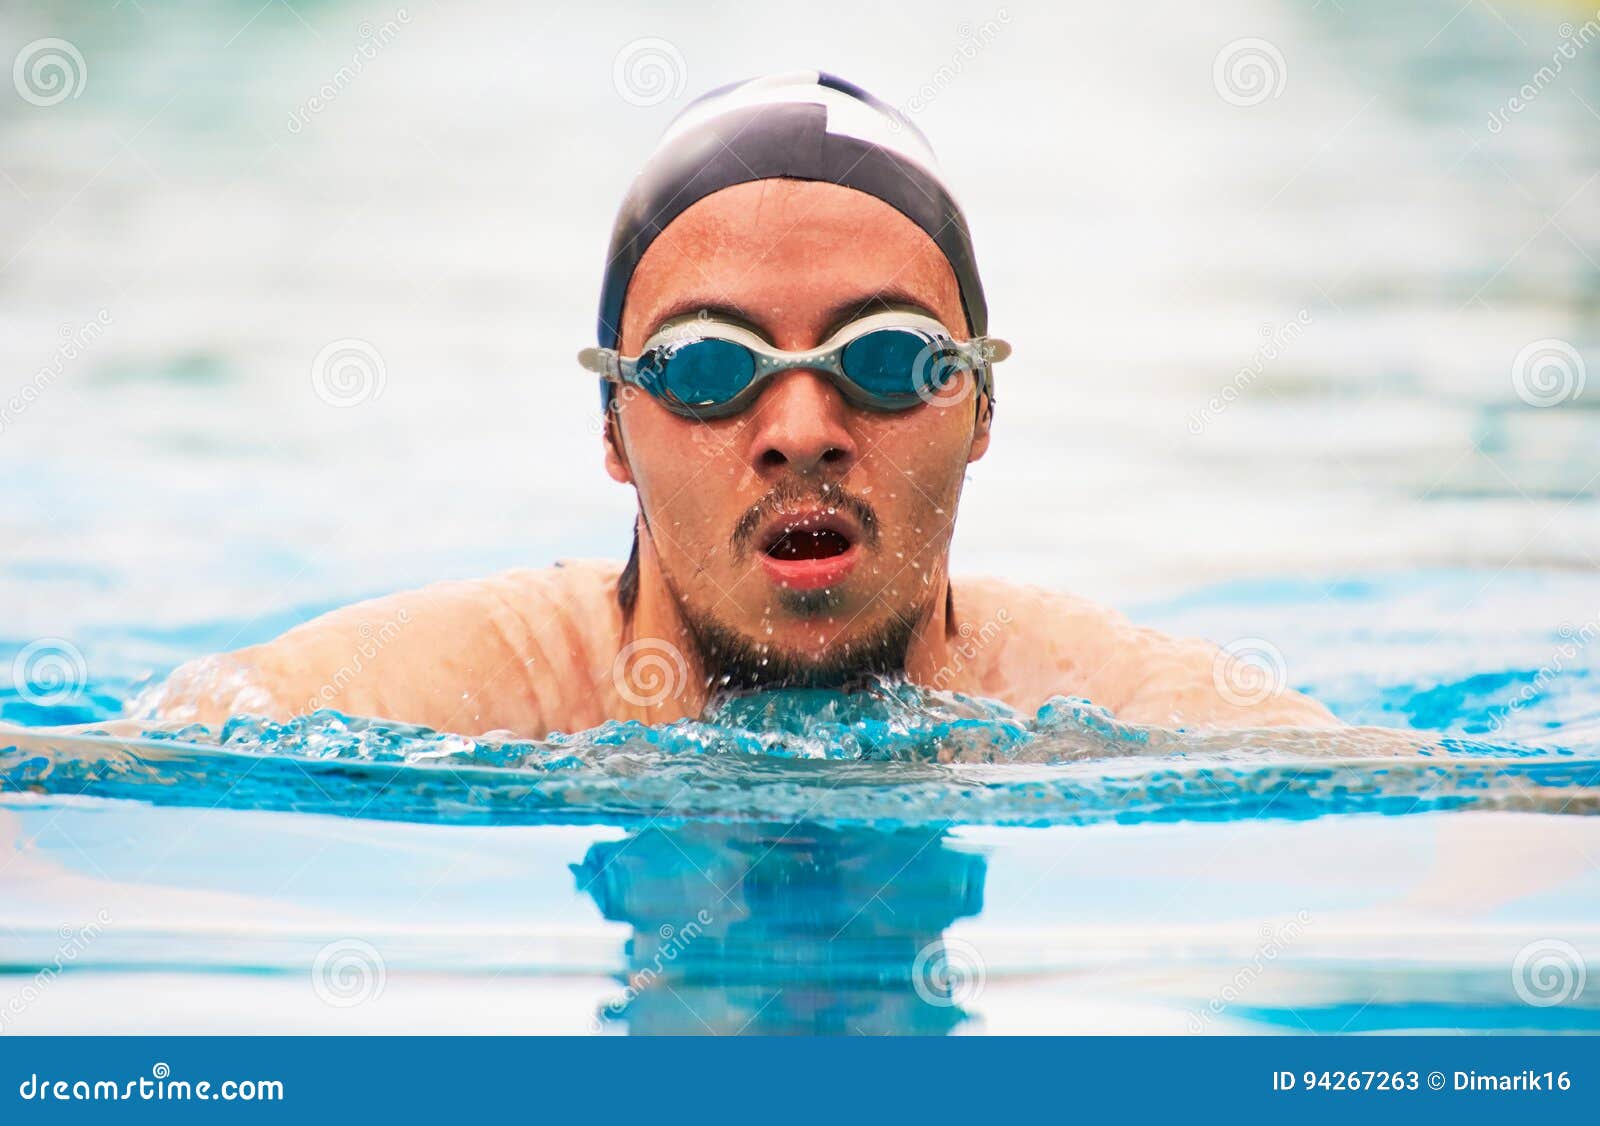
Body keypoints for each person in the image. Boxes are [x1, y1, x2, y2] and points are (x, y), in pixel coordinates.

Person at [150, 72, 1335, 736]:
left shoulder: (1114, 704)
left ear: (978, 407)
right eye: (710, 368)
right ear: (612, 426)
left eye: (886, 357)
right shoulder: (424, 696)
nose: (803, 431)